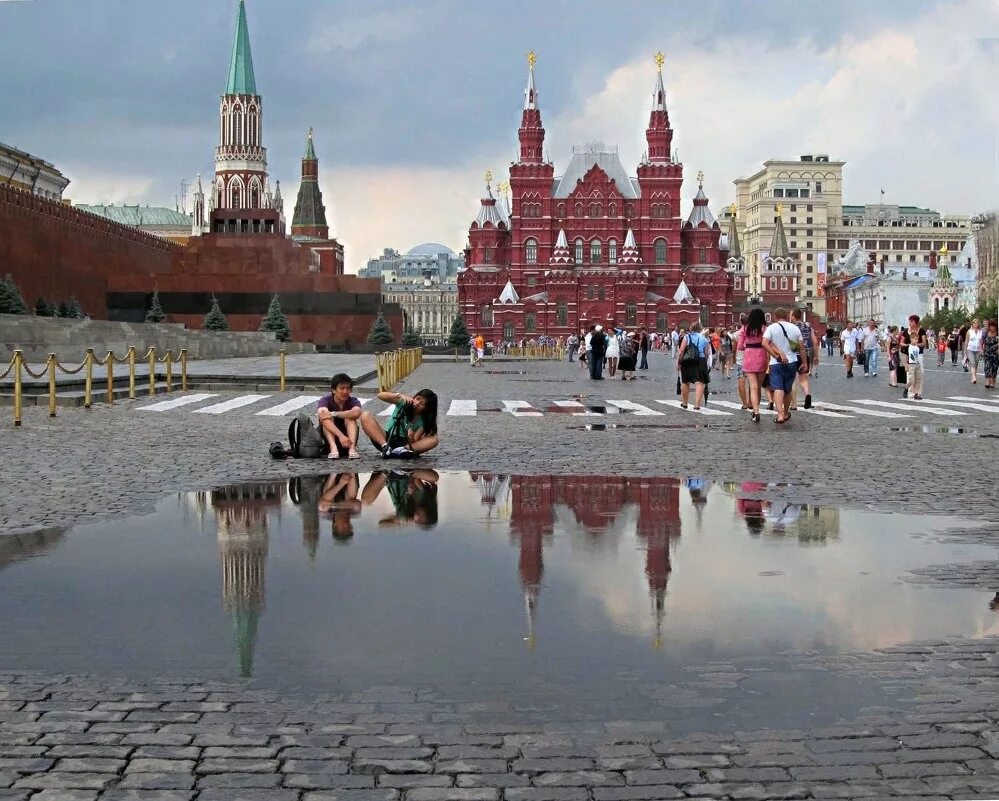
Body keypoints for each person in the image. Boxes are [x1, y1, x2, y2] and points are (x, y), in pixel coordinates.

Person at [359, 389, 439, 457]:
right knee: (365, 416)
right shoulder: (404, 402)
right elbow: (380, 395)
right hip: (387, 438)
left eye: (422, 404)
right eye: (417, 399)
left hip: (405, 444)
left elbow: (415, 441)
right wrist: (399, 395)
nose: (417, 403)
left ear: (426, 409)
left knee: (434, 440)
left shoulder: (423, 421)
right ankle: (385, 447)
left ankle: (401, 451)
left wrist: (411, 438)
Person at [762, 307, 802, 425]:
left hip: (776, 363)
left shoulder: (771, 328)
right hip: (792, 362)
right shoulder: (794, 328)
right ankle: (785, 413)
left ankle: (779, 415)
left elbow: (764, 343)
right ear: (786, 316)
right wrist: (804, 362)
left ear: (775, 316)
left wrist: (775, 355)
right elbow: (801, 347)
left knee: (778, 388)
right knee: (788, 389)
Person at [317, 373, 363, 460]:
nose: (345, 392)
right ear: (333, 390)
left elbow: (356, 412)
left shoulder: (353, 401)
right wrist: (341, 436)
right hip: (330, 439)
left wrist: (334, 413)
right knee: (326, 418)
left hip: (348, 441)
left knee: (350, 418)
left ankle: (352, 449)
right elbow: (322, 415)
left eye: (348, 388)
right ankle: (333, 448)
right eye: (342, 388)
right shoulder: (325, 400)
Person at [740, 308, 768, 423]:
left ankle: (756, 412)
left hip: (749, 358)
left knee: (753, 387)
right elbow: (768, 342)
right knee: (758, 388)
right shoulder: (764, 328)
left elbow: (740, 346)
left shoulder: (745, 328)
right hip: (761, 357)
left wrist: (748, 343)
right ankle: (757, 408)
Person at [790, 309, 819, 409]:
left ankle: (793, 404)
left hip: (793, 356)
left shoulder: (791, 327)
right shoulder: (808, 326)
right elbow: (815, 342)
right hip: (805, 356)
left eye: (791, 315)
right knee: (803, 379)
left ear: (793, 316)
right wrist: (816, 356)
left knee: (793, 380)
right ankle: (807, 395)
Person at [677, 322, 709, 410]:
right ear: (700, 329)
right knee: (699, 382)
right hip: (700, 360)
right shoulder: (704, 339)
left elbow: (681, 351)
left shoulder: (687, 337)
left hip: (687, 360)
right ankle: (697, 405)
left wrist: (678, 363)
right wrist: (704, 362)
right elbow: (706, 353)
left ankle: (685, 403)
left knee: (685, 381)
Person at [900, 314, 927, 400]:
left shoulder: (921, 331)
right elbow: (901, 342)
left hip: (919, 354)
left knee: (920, 374)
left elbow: (924, 343)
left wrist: (915, 345)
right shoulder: (905, 331)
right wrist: (908, 345)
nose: (910, 323)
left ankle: (918, 393)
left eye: (911, 321)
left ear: (916, 322)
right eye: (909, 321)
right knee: (910, 375)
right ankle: (910, 392)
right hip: (909, 355)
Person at [733, 313, 749, 409]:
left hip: (740, 360)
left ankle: (745, 403)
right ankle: (751, 401)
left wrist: (734, 357)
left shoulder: (736, 334)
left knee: (741, 382)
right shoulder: (753, 332)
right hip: (752, 360)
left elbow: (734, 348)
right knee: (752, 382)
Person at [964, 318, 983, 385]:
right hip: (970, 349)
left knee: (976, 364)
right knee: (972, 363)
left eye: (976, 323)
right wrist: (965, 350)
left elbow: (981, 341)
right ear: (972, 324)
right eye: (974, 323)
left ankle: (973, 376)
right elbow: (966, 341)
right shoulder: (969, 331)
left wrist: (982, 350)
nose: (975, 324)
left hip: (978, 350)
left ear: (978, 324)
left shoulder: (980, 331)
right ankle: (974, 377)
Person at [982, 320, 999, 390]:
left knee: (994, 368)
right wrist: (982, 350)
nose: (992, 328)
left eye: (994, 327)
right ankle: (987, 382)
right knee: (987, 367)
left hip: (995, 354)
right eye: (991, 326)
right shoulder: (986, 333)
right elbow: (983, 343)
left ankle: (993, 381)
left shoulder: (997, 334)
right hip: (987, 353)